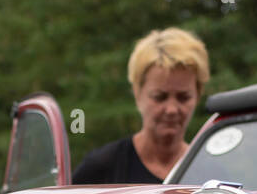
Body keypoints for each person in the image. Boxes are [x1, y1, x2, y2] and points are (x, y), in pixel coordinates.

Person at [72, 28, 210, 184]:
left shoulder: (210, 175)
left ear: (198, 94)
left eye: (183, 98)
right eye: (159, 97)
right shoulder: (102, 167)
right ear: (137, 92)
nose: (171, 109)